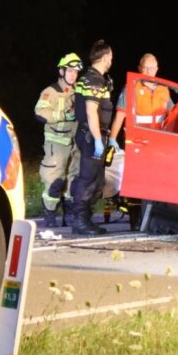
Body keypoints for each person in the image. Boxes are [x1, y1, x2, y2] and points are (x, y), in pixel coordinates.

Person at [107, 53, 174, 229]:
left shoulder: (164, 89)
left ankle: (154, 218)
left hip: (158, 145)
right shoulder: (131, 88)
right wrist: (112, 139)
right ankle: (136, 219)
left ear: (157, 69)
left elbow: (173, 114)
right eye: (146, 68)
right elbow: (120, 116)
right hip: (137, 144)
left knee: (157, 182)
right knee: (137, 184)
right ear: (139, 69)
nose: (150, 71)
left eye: (153, 68)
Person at [69, 40, 115, 235]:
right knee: (88, 179)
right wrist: (97, 139)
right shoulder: (93, 79)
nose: (111, 61)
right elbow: (91, 112)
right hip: (91, 135)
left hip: (93, 134)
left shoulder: (93, 78)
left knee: (97, 181)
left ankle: (85, 219)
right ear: (104, 58)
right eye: (110, 58)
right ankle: (79, 221)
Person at [34, 52, 83, 227]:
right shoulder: (51, 92)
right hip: (56, 145)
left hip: (75, 145)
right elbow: (40, 113)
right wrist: (63, 115)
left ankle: (69, 216)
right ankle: (50, 216)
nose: (73, 75)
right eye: (70, 71)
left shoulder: (79, 91)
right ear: (62, 71)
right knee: (55, 181)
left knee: (73, 181)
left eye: (75, 72)